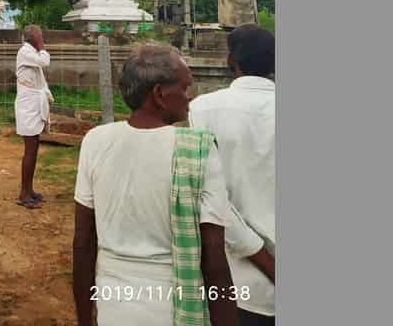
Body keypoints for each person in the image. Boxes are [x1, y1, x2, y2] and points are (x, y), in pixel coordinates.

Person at [73, 43, 263, 326]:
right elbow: (214, 260)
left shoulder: (96, 141)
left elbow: (83, 243)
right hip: (173, 310)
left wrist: (85, 320)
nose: (189, 97)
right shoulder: (197, 149)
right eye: (185, 89)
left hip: (113, 306)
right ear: (160, 95)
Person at [189, 26, 277, 325]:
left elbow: (210, 200)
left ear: (230, 61)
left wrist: (266, 262)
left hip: (235, 282)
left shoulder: (201, 111)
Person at [14, 24, 55, 209]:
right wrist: (42, 45)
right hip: (28, 105)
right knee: (30, 150)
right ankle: (24, 194)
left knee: (34, 147)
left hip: (33, 103)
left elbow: (41, 77)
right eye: (40, 35)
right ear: (33, 38)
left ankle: (29, 190)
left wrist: (47, 95)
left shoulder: (30, 52)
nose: (42, 38)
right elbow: (45, 62)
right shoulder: (26, 52)